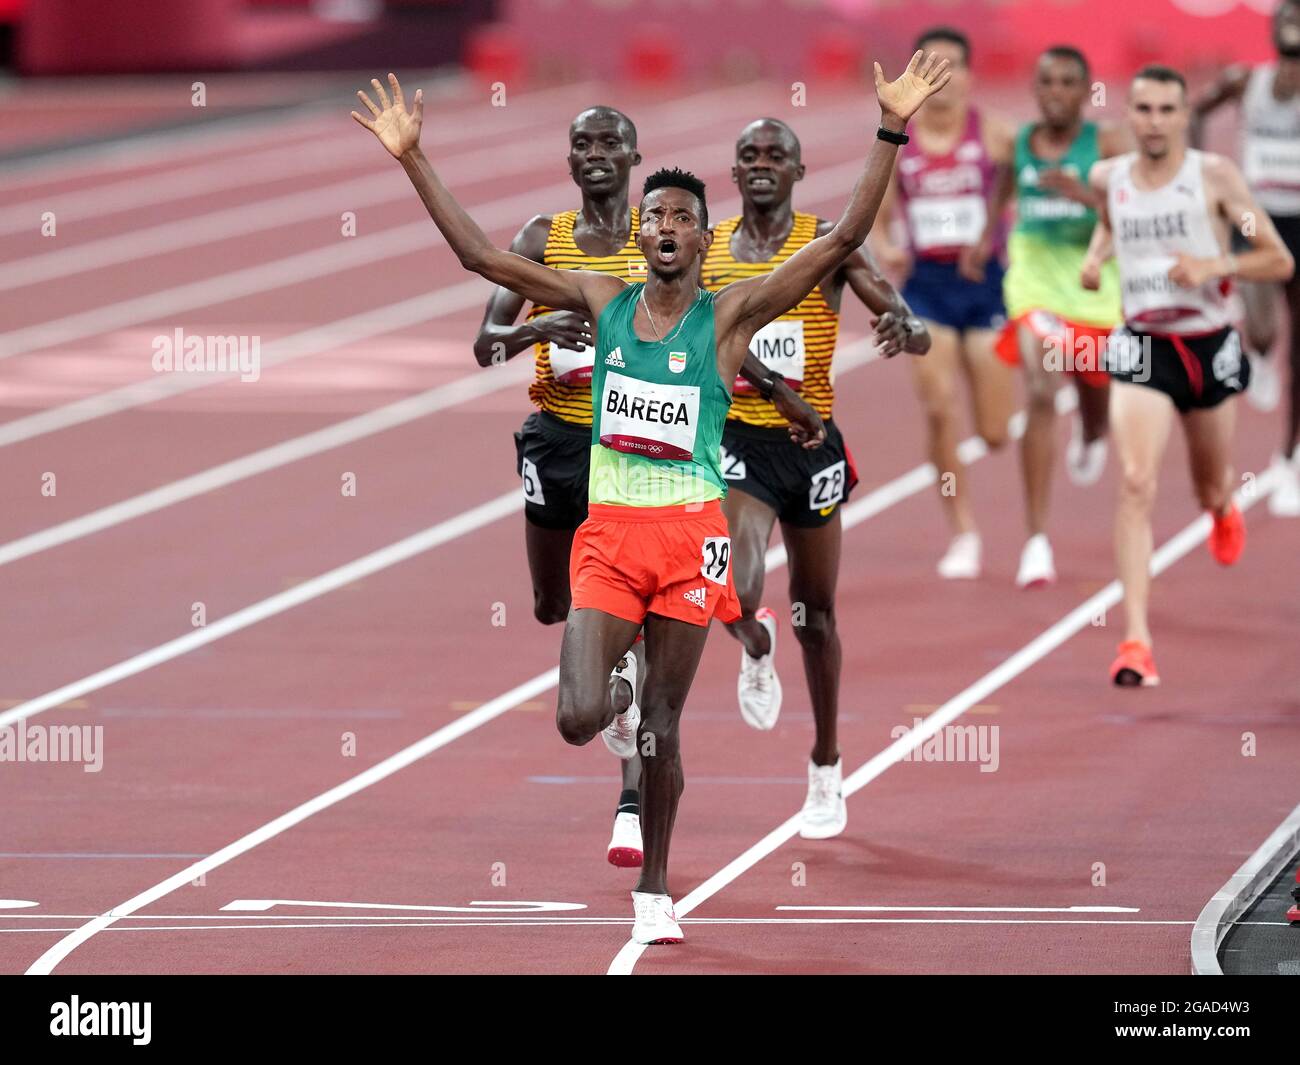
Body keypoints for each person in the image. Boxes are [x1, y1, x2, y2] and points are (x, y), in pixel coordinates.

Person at [352, 55, 951, 942]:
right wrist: (411, 158)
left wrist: (890, 128)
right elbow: (481, 256)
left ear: (702, 241)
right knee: (576, 718)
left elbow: (839, 241)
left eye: (683, 217)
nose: (667, 225)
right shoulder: (601, 298)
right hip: (610, 536)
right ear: (640, 235)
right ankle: (618, 696)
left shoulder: (733, 315)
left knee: (667, 729)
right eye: (656, 215)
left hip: (689, 538)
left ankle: (656, 892)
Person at [703, 117, 929, 839]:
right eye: (749, 156)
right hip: (738, 440)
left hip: (813, 448)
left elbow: (898, 307)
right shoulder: (707, 256)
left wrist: (905, 326)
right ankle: (753, 643)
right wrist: (771, 390)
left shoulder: (827, 244)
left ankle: (826, 765)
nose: (762, 164)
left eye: (777, 155)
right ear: (733, 174)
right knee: (736, 589)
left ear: (799, 172)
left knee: (817, 613)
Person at [471, 106, 649, 868]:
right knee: (553, 605)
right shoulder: (542, 239)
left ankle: (631, 798)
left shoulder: (661, 236)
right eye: (582, 143)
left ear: (634, 155)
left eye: (610, 141)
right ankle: (606, 655)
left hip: (632, 446)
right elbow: (484, 344)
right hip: (555, 442)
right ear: (570, 158)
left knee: (616, 605)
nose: (596, 153)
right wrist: (533, 333)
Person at [1080, 65, 1294, 686]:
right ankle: (1135, 642)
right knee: (1137, 483)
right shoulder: (1109, 177)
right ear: (1129, 114)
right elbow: (1109, 222)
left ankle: (1222, 504)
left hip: (1206, 349)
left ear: (1183, 116)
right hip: (1143, 347)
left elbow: (1275, 256)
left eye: (1166, 110)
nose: (1153, 122)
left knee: (1207, 484)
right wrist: (1097, 259)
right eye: (1142, 109)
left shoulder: (1216, 179)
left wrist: (1213, 263)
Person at [871, 26, 1017, 580]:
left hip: (984, 286)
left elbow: (1026, 198)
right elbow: (880, 214)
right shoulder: (897, 138)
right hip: (926, 287)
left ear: (970, 75)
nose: (942, 79)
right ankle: (962, 530)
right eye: (932, 67)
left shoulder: (998, 135)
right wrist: (887, 248)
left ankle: (989, 441)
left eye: (953, 66)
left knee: (997, 433)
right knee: (937, 406)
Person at [985, 46, 1129, 588]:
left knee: (1095, 390)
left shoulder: (1108, 145)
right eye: (1046, 81)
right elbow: (1004, 187)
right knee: (1042, 392)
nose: (1056, 92)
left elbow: (1135, 207)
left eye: (1069, 82)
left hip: (1094, 288)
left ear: (1086, 89)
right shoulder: (1018, 143)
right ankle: (1036, 540)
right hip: (1034, 288)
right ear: (1035, 87)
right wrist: (982, 241)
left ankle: (1093, 432)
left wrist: (1090, 198)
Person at [1192, 0, 1300, 515]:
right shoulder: (1245, 81)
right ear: (1273, 26)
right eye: (1287, 16)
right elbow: (1196, 111)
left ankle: (1290, 457)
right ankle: (1259, 354)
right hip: (1255, 222)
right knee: (1260, 330)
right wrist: (1196, 177)